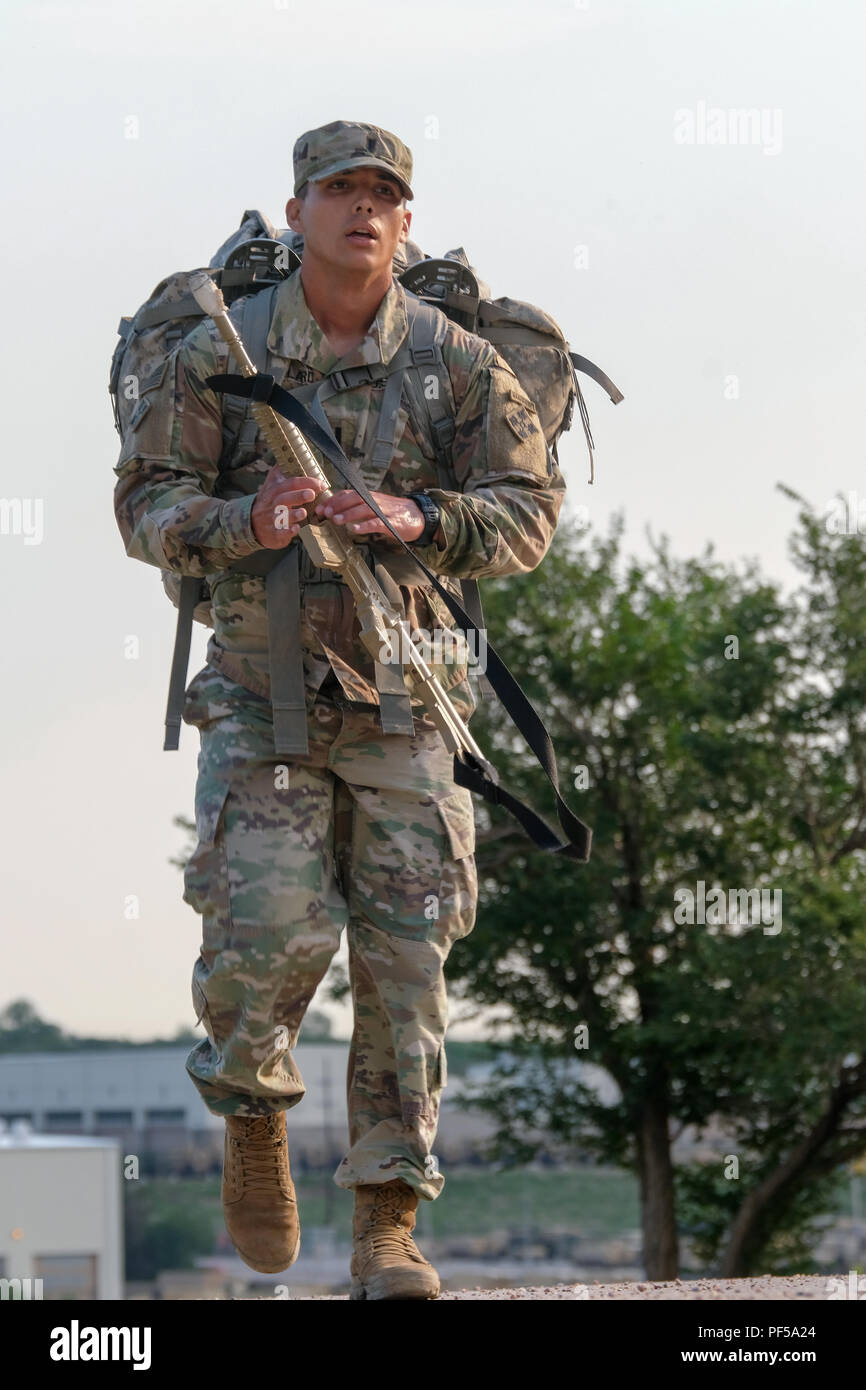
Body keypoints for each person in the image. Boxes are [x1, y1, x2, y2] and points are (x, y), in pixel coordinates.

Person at [112, 119, 566, 1300]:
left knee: (407, 961)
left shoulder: (457, 361)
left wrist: (426, 518)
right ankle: (253, 1108)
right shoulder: (219, 347)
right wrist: (246, 520)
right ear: (297, 209)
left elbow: (527, 510)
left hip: (411, 695)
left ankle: (386, 1223)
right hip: (262, 692)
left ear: (405, 221)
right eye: (338, 190)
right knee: (266, 926)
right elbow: (146, 503)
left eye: (382, 194)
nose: (362, 209)